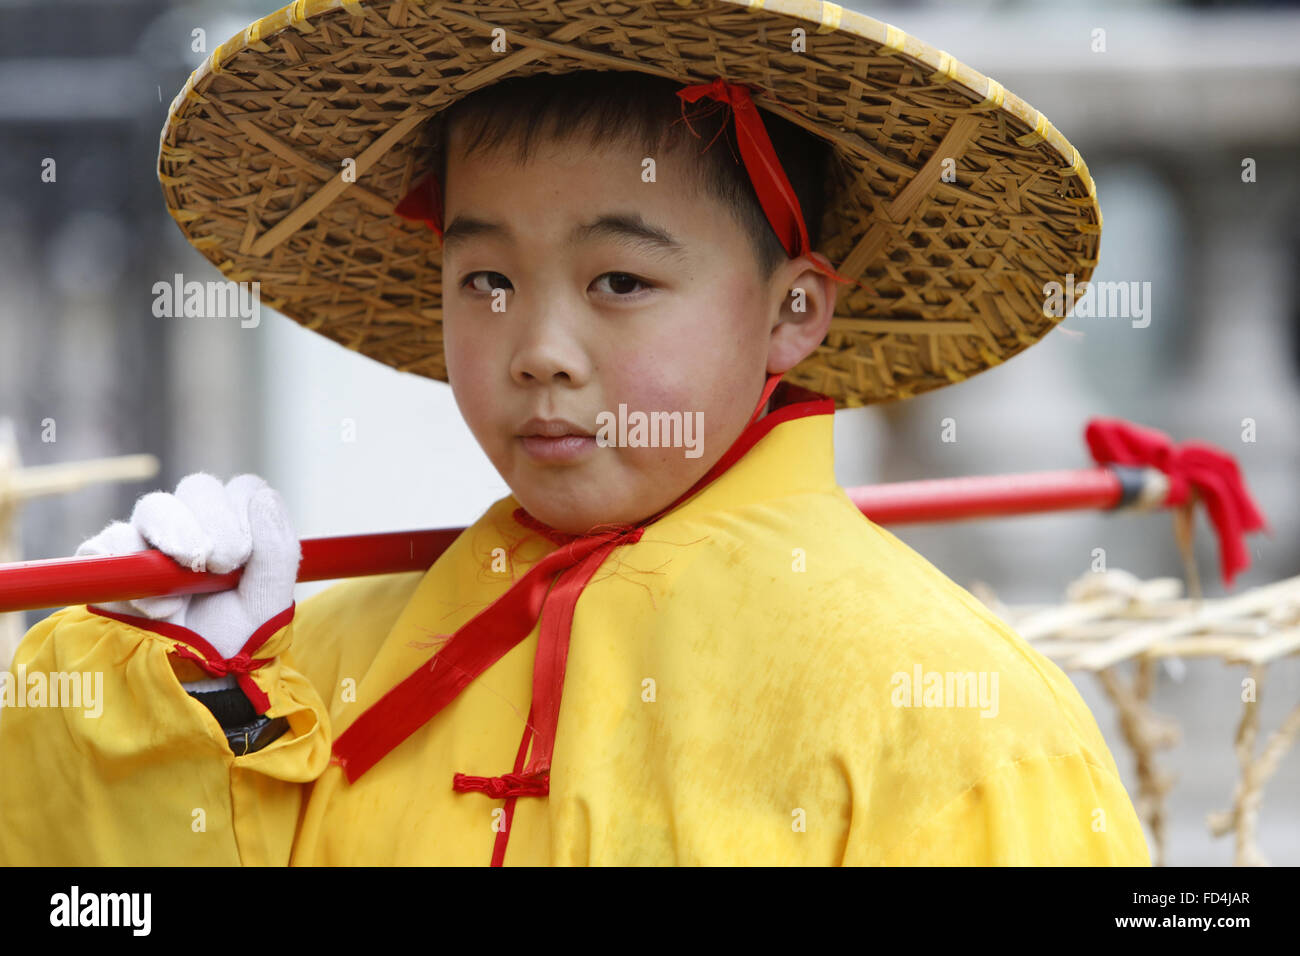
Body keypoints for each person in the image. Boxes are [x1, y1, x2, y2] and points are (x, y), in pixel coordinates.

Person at [0, 0, 1149, 865]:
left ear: (792, 309)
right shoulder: (305, 668)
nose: (537, 344)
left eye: (618, 279)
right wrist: (172, 709)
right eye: (487, 277)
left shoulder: (950, 718)